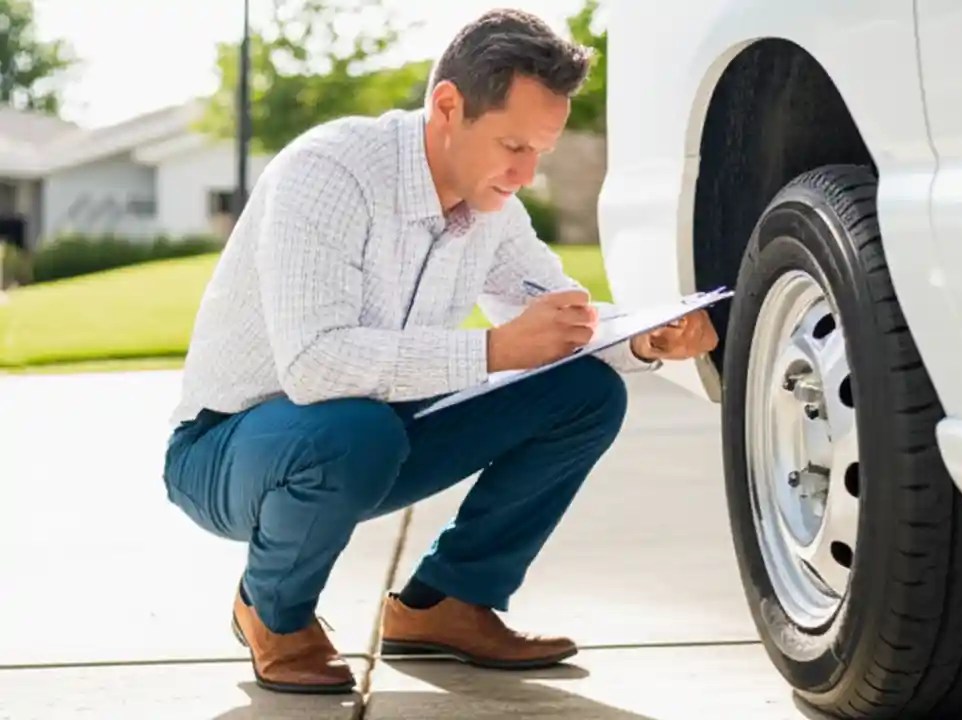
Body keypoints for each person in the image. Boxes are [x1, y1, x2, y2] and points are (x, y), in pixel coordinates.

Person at [162, 8, 719, 695]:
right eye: (513, 144)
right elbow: (316, 368)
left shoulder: (495, 207)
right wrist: (491, 350)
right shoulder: (329, 172)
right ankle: (271, 612)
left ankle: (446, 602)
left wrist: (642, 336)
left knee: (586, 395)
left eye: (540, 152)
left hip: (374, 433)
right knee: (352, 430)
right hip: (230, 450)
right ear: (449, 106)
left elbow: (557, 317)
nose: (527, 172)